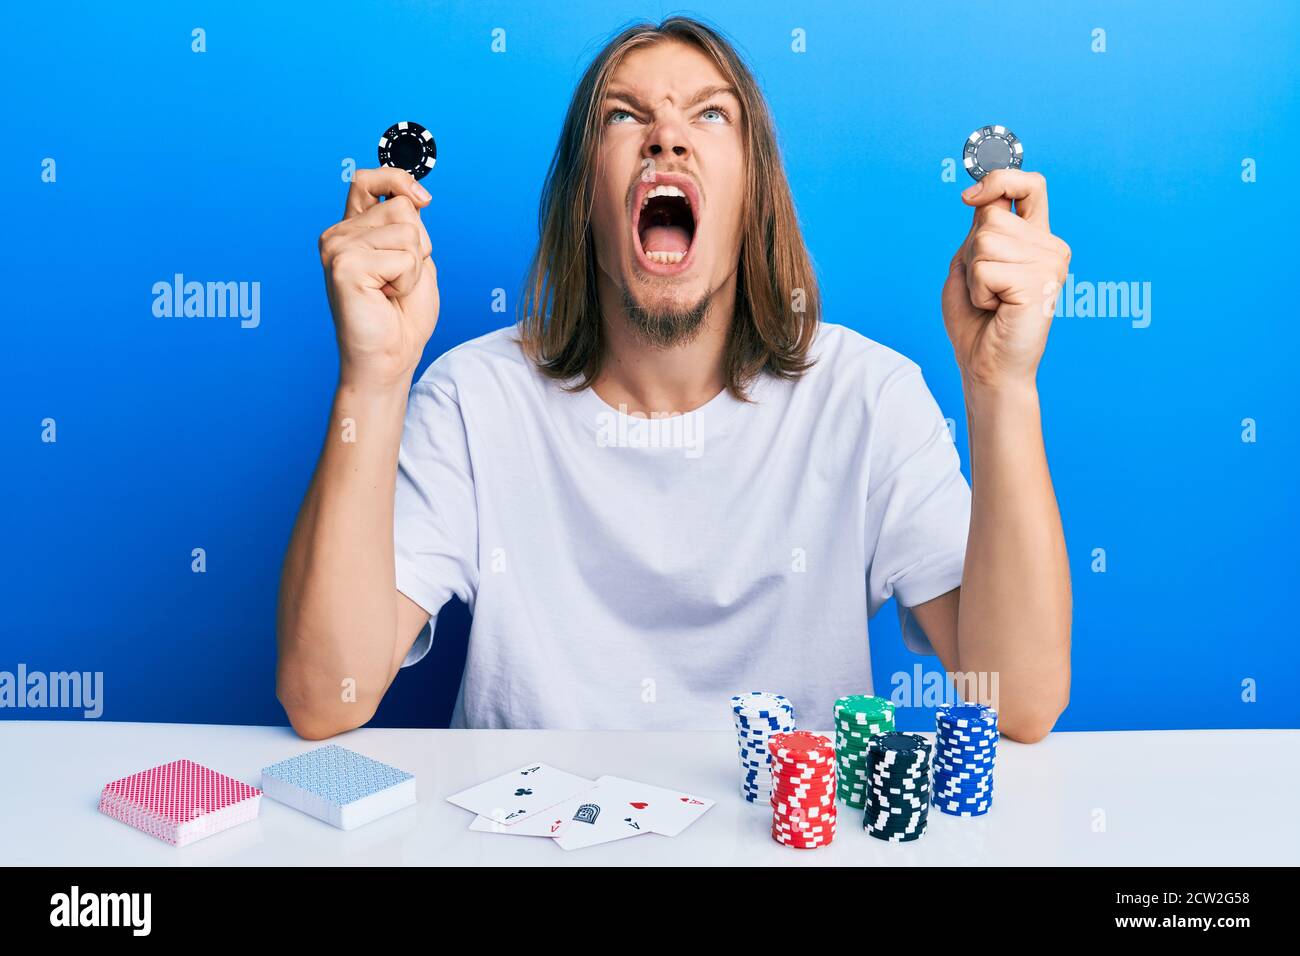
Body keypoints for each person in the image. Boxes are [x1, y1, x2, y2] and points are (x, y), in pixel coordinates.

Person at [276, 17, 1072, 741]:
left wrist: (1001, 387)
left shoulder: (866, 396)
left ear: (752, 193)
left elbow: (1022, 702)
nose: (666, 137)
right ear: (584, 198)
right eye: (624, 116)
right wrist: (372, 379)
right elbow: (324, 697)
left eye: (709, 114)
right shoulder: (471, 398)